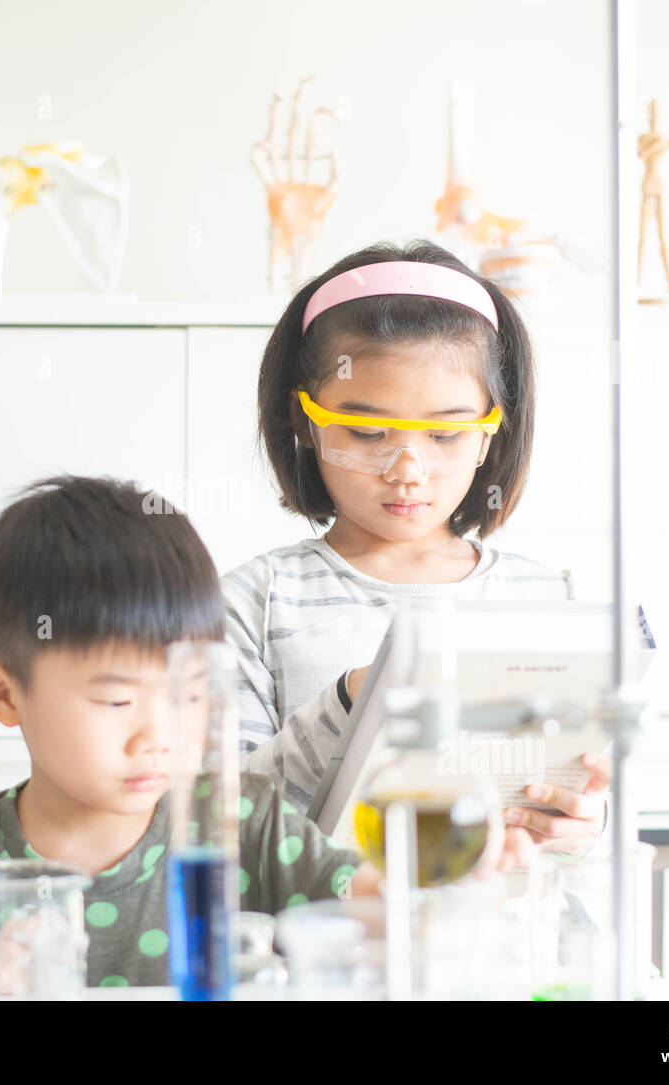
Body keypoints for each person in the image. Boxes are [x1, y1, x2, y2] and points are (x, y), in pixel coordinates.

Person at [0, 475, 384, 989]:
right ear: (5, 695)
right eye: (116, 700)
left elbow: (378, 910)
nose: (158, 737)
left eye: (189, 693)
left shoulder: (245, 824)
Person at [222, 239, 610, 856]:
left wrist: (587, 824)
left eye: (447, 434)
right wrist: (350, 704)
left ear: (490, 435)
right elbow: (222, 823)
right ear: (305, 422)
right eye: (367, 431)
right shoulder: (253, 601)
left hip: (505, 913)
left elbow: (583, 805)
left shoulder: (545, 599)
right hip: (325, 917)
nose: (407, 470)